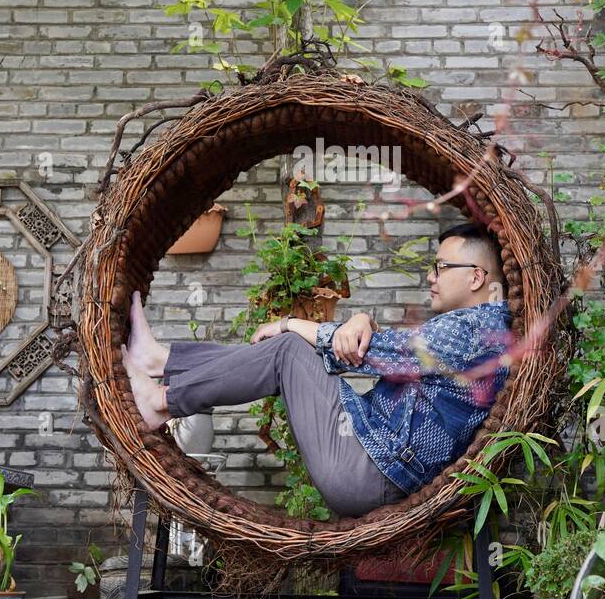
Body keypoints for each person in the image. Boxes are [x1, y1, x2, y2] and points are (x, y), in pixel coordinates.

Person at [122, 222, 512, 518]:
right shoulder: (480, 330)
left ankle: (159, 401)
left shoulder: (474, 331)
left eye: (441, 267)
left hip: (368, 471)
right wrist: (363, 320)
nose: (431, 276)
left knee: (288, 349)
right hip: (372, 464)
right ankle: (160, 361)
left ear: (476, 277)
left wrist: (290, 323)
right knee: (286, 353)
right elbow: (393, 352)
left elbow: (370, 352)